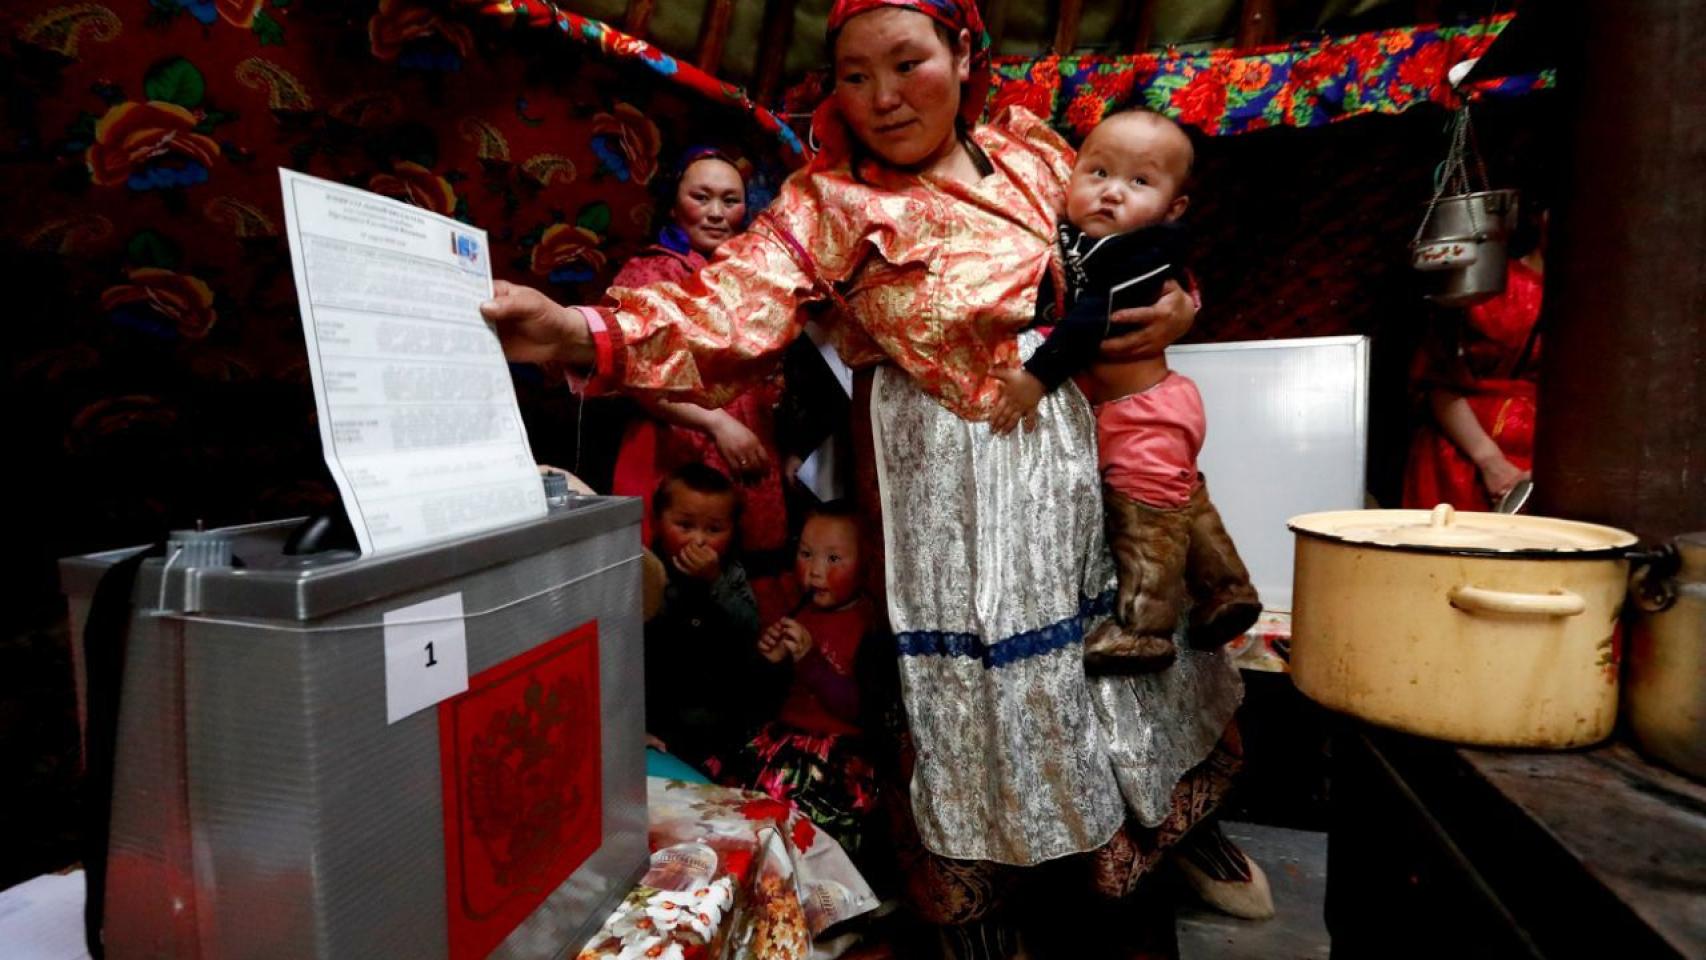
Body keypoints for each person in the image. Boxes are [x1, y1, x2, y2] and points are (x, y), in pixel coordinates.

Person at [483, 2, 1242, 954]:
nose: (882, 98)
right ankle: (986, 903)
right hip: (942, 479)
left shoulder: (1033, 151)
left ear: (965, 54)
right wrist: (577, 332)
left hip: (1063, 443)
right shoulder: (827, 201)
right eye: (853, 73)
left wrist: (1176, 308)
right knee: (971, 699)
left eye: (908, 63)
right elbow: (726, 306)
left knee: (1105, 669)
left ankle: (1125, 874)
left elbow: (1131, 246)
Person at [987, 109, 1261, 671]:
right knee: (1180, 497)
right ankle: (1227, 590)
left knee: (1145, 519)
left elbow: (1089, 320)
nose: (1112, 193)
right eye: (1099, 173)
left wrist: (1035, 379)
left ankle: (1145, 628)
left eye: (1139, 182)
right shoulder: (1083, 241)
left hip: (1143, 410)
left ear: (1173, 207)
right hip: (1139, 406)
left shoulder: (1145, 251)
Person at [608, 147, 791, 566]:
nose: (715, 213)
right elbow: (634, 375)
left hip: (752, 451)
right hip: (673, 451)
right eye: (700, 197)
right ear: (673, 206)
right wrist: (716, 422)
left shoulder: (756, 279)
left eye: (730, 200)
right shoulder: (648, 274)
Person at [723, 501, 886, 856]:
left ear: (866, 564)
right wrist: (771, 662)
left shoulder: (868, 623)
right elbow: (768, 696)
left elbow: (857, 709)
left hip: (836, 757)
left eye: (833, 559)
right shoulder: (799, 611)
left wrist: (811, 662)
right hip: (783, 741)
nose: (813, 571)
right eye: (806, 554)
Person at [642, 463, 788, 776]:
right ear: (656, 522)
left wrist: (714, 582)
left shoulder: (731, 575)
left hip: (721, 724)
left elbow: (748, 630)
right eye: (684, 525)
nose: (699, 540)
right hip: (661, 720)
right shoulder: (646, 572)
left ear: (733, 531)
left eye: (714, 529)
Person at [1403, 210, 1546, 511]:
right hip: (1463, 456)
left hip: (1540, 464)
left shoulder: (1596, 301)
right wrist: (1489, 460)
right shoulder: (1486, 284)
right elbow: (1437, 378)